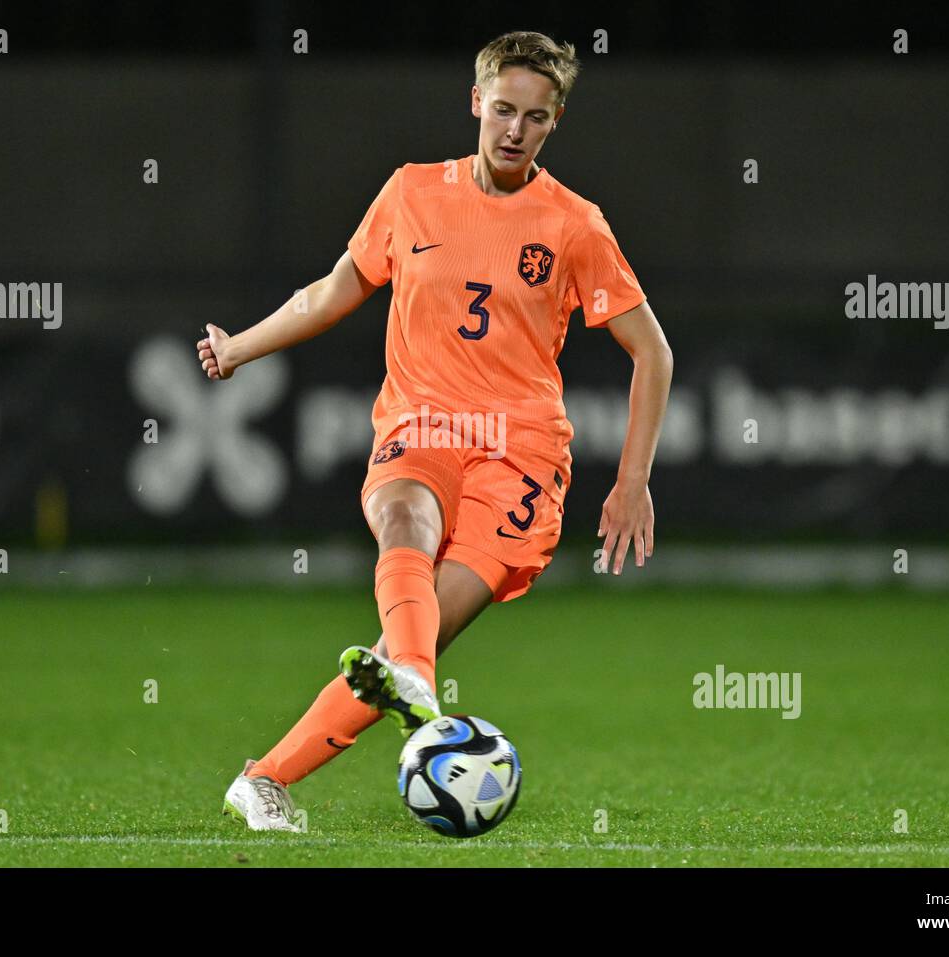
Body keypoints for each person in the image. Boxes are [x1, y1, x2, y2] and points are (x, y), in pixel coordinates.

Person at [196, 30, 674, 831]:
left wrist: (632, 482)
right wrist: (239, 347)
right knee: (402, 521)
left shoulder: (574, 226)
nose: (515, 129)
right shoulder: (412, 192)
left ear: (555, 123)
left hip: (521, 454)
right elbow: (334, 289)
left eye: (536, 117)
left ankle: (265, 777)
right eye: (503, 110)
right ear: (475, 103)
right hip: (422, 424)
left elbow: (651, 352)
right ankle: (413, 678)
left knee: (407, 641)